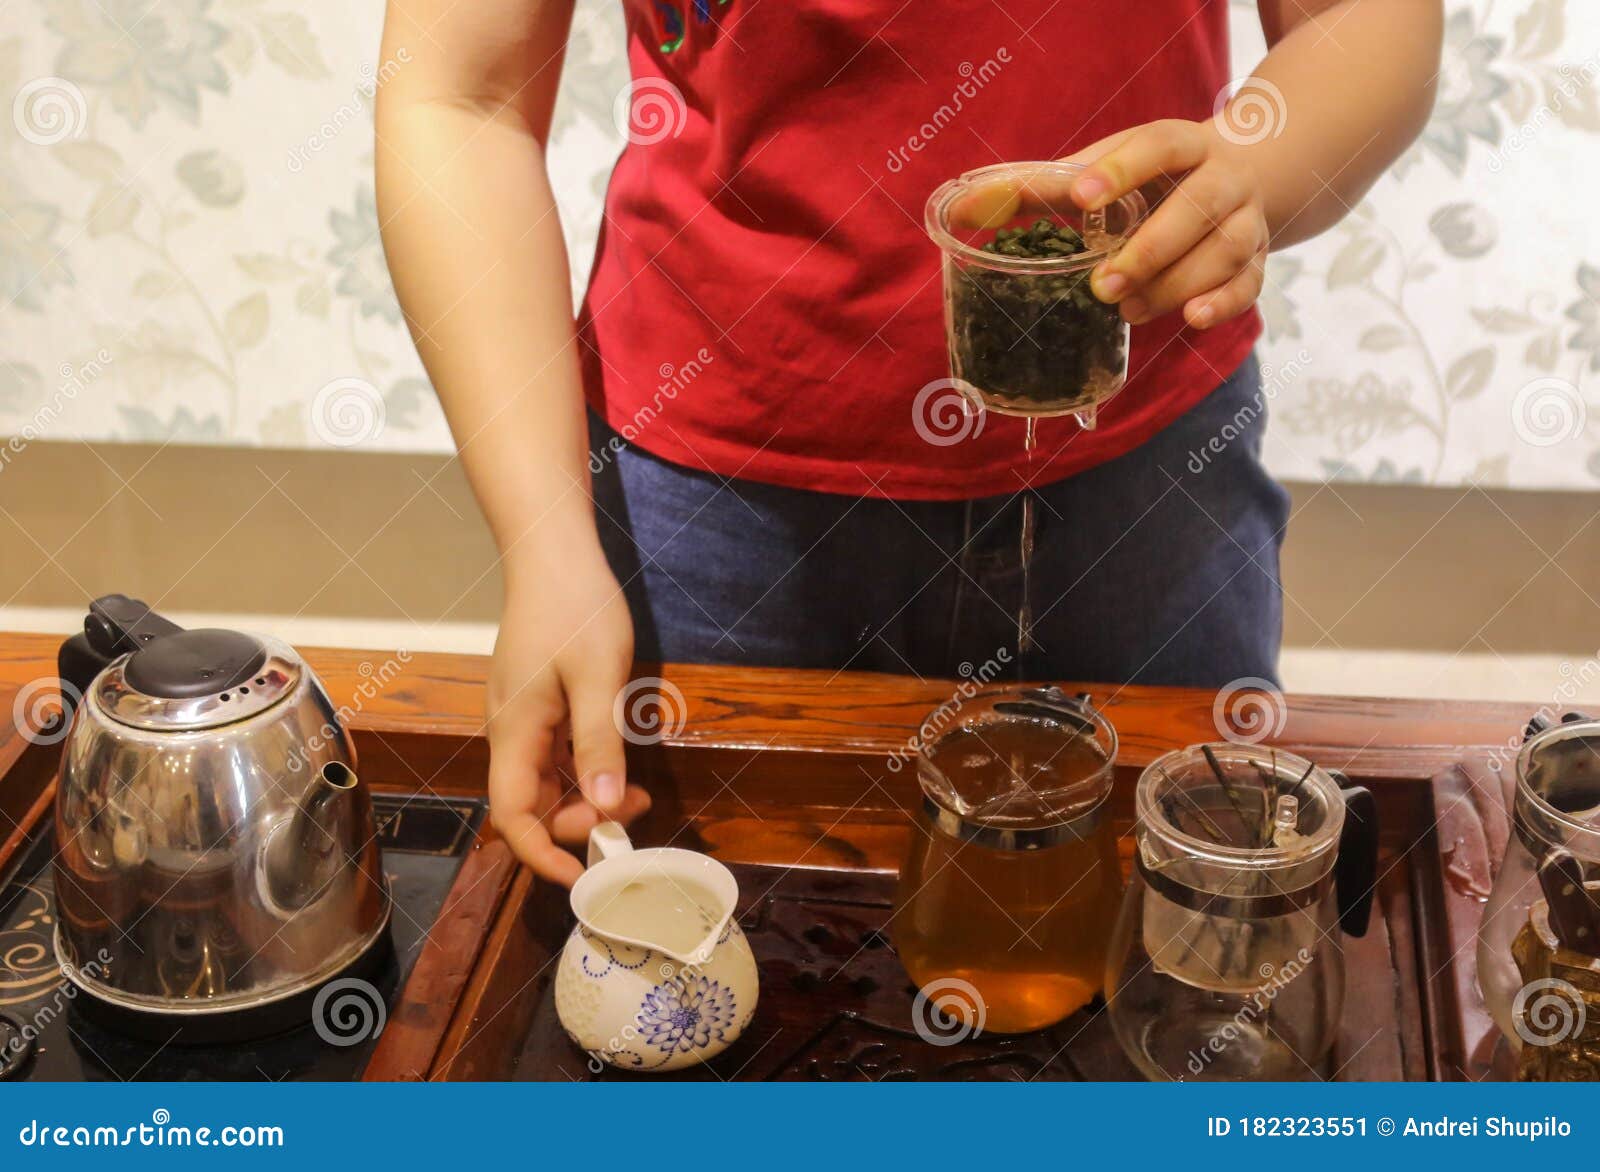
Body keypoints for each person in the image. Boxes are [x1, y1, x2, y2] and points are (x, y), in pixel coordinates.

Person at [376, 0, 1443, 883]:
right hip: (704, 508)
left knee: (1176, 956)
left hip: (1147, 481)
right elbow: (460, 96)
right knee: (689, 957)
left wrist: (1252, 168)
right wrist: (546, 549)